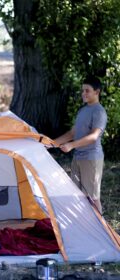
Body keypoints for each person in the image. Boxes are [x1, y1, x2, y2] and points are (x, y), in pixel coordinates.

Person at [55, 76, 107, 213]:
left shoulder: (99, 112)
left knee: (92, 198)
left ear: (97, 92)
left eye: (87, 91)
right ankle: (83, 230)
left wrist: (71, 146)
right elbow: (72, 133)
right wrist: (52, 143)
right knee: (78, 196)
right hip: (78, 157)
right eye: (82, 90)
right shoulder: (83, 110)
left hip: (91, 158)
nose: (83, 93)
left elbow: (94, 136)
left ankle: (101, 233)